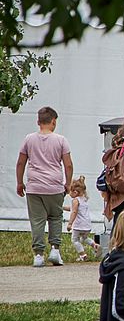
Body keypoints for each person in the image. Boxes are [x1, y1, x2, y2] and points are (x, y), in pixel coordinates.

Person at [15, 106, 73, 267]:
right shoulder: (61, 140)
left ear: (38, 122)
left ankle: (38, 255)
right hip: (54, 186)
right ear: (53, 121)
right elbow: (68, 165)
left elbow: (21, 162)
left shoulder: (29, 139)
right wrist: (68, 183)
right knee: (55, 217)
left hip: (34, 187)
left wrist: (20, 182)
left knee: (37, 221)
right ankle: (55, 249)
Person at [66, 176, 100, 261]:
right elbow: (72, 208)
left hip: (79, 225)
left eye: (70, 191)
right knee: (84, 238)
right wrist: (62, 208)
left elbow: (74, 212)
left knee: (75, 240)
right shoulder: (84, 199)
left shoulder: (75, 200)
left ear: (75, 192)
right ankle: (95, 245)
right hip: (87, 224)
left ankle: (83, 255)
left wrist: (70, 223)